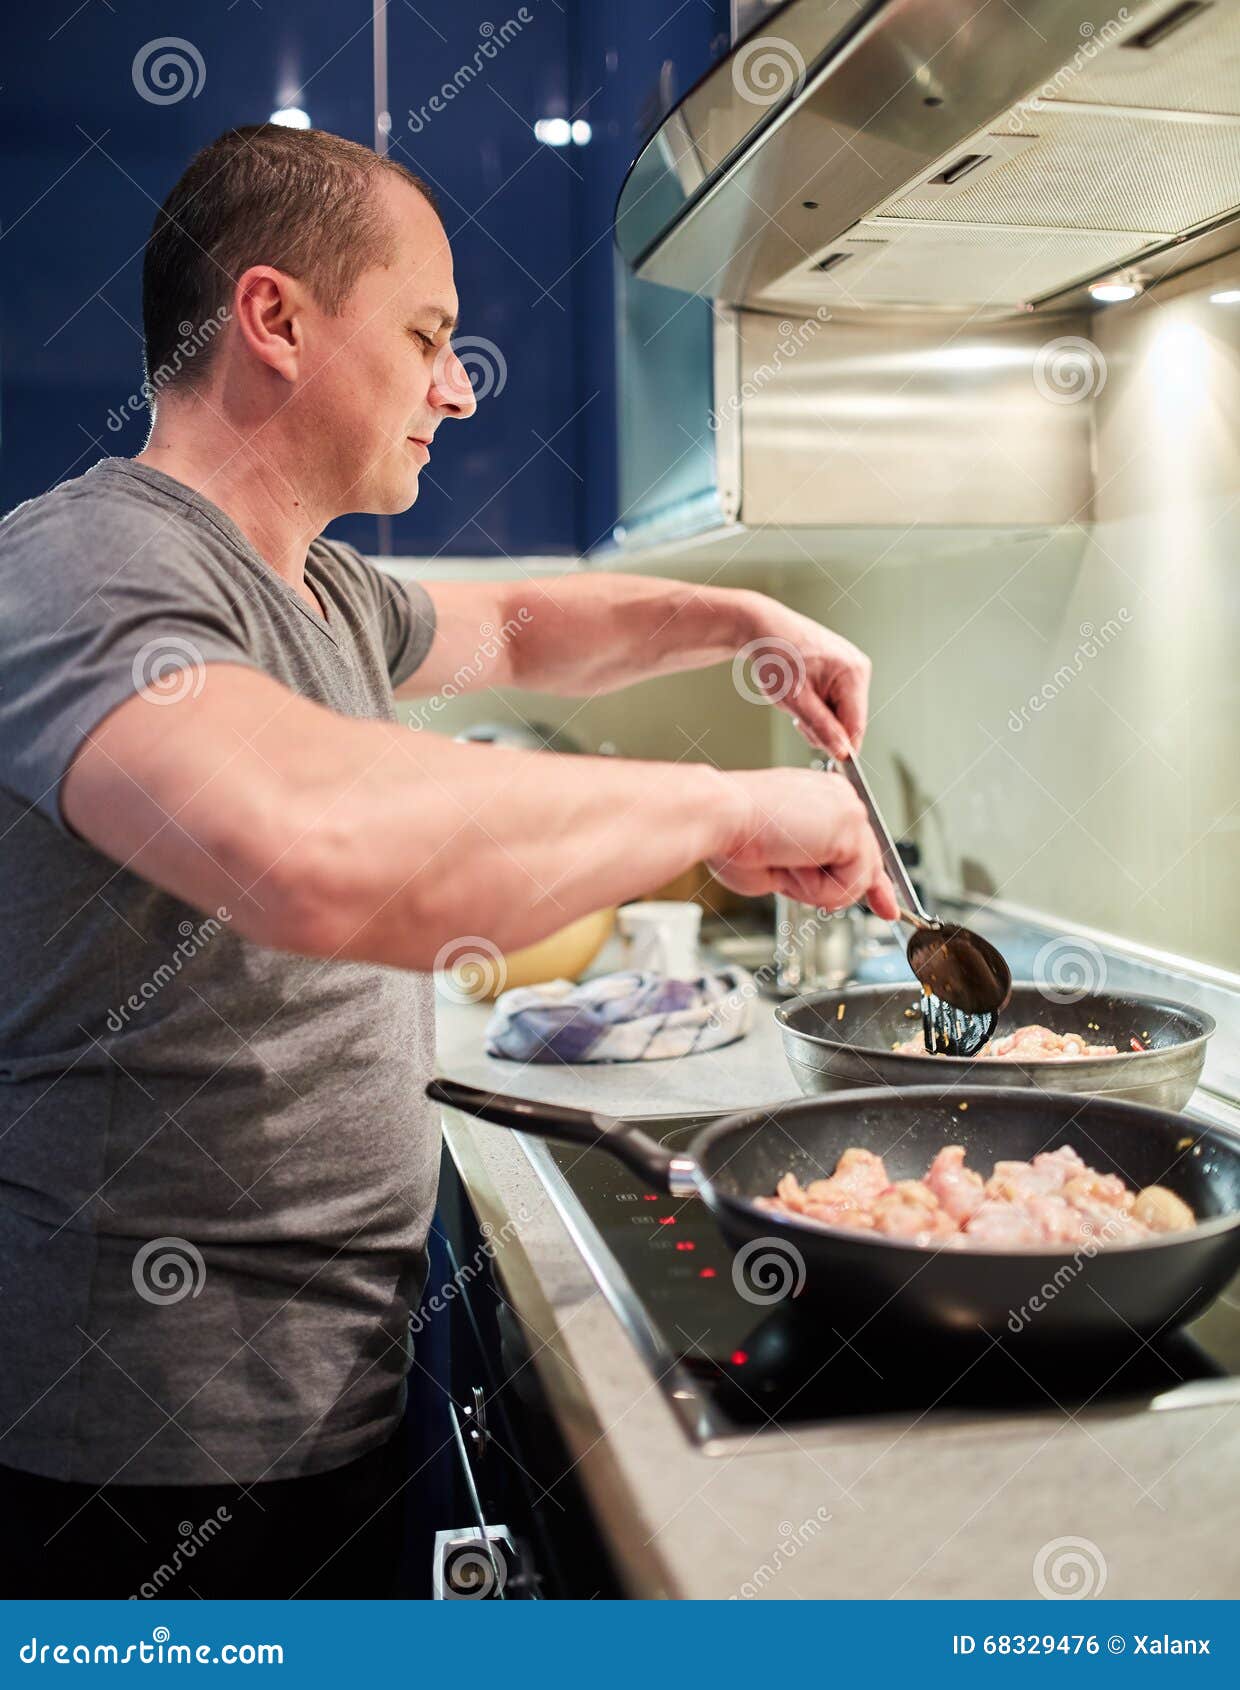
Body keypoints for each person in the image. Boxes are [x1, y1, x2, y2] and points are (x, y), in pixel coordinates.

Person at [0, 125, 896, 1597]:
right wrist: (727, 811)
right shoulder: (87, 565)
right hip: (148, 1455)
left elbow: (533, 629)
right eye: (427, 335)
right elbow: (317, 850)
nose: (461, 383)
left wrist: (741, 621)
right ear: (276, 321)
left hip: (322, 1390)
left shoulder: (324, 591)